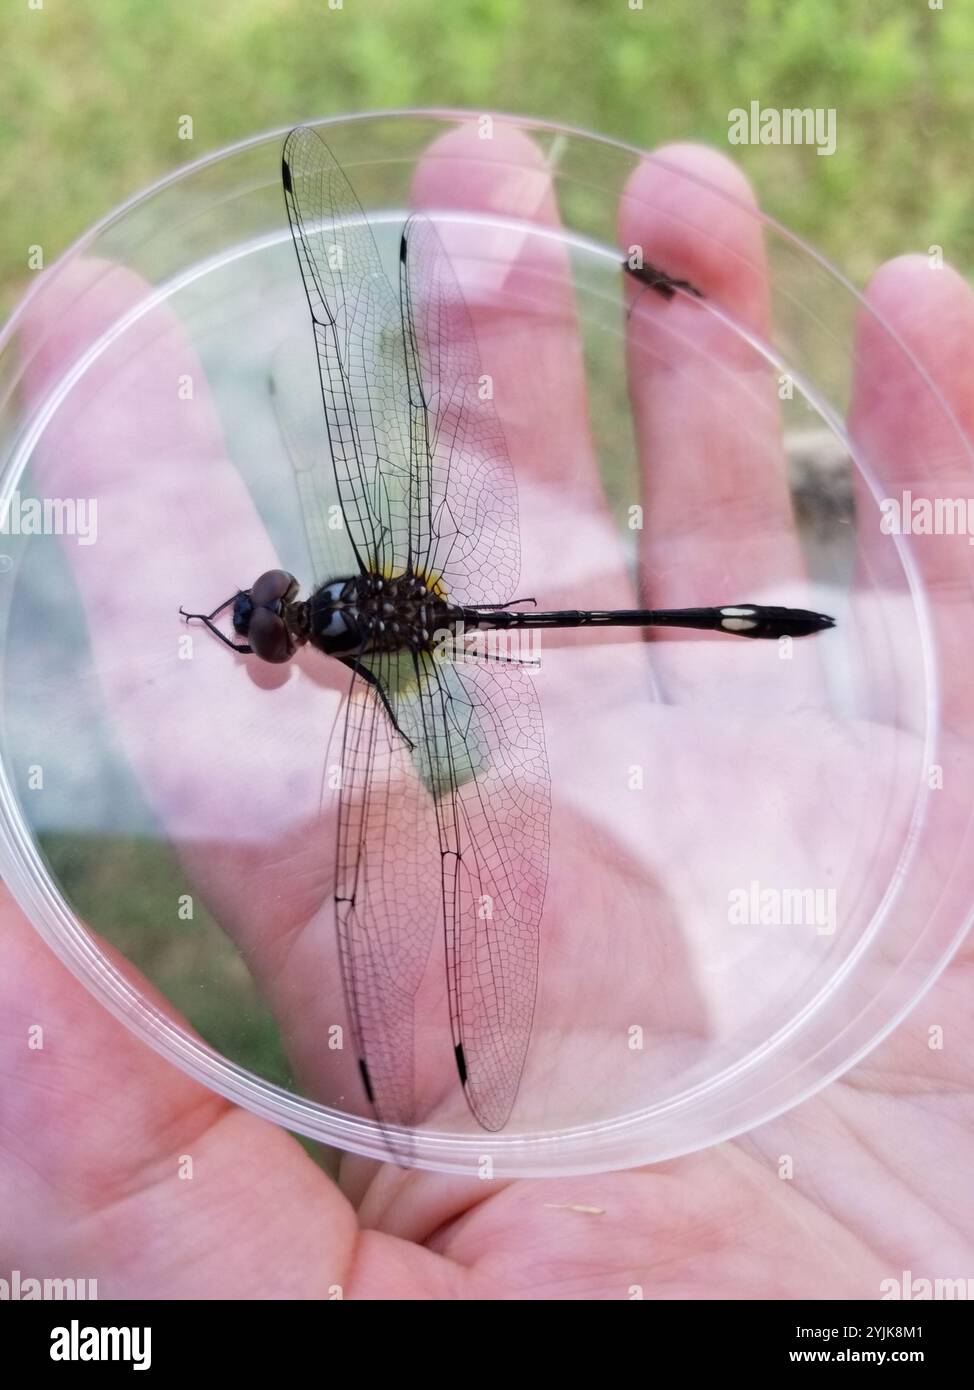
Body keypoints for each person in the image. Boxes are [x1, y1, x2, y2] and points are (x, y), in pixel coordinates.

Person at [3, 125, 972, 1299]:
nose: (268, 613)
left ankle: (743, 617)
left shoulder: (359, 673)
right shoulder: (359, 611)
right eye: (265, 619)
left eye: (263, 622)